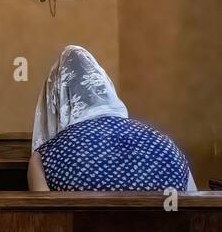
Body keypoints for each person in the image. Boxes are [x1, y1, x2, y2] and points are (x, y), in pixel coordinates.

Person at [28, 45, 196, 191]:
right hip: (166, 227)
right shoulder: (167, 146)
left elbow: (46, 221)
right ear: (106, 86)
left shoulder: (45, 156)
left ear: (57, 99)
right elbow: (194, 206)